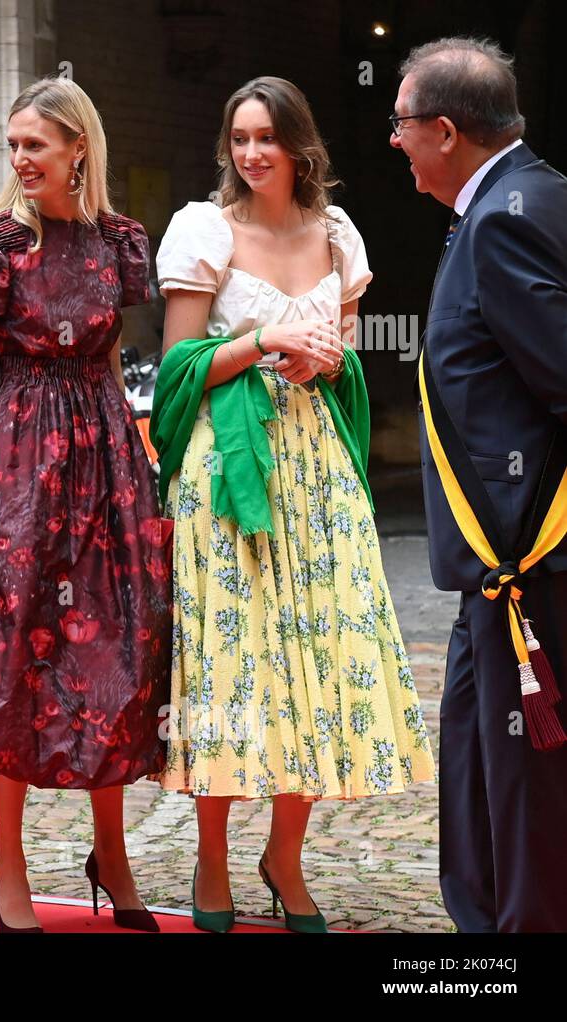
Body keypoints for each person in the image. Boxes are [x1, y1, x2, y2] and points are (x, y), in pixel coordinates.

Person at [151, 76, 434, 933]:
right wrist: (266, 339)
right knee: (231, 665)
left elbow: (346, 353)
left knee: (326, 650)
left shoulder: (339, 237)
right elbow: (174, 369)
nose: (250, 152)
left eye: (267, 136)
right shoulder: (204, 230)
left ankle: (285, 856)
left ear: (299, 145)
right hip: (231, 467)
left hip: (318, 463)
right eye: (239, 136)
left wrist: (326, 359)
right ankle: (210, 856)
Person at [0, 77, 171, 933]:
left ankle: (114, 856)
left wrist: (135, 466)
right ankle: (9, 869)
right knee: (12, 660)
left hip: (104, 460)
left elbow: (108, 364)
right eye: (14, 145)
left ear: (77, 150)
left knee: (116, 660)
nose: (20, 160)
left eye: (36, 146)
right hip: (17, 462)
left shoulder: (118, 243)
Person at [391, 36, 567, 932]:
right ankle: (481, 931)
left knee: (525, 783)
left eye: (403, 123)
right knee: (470, 766)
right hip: (487, 572)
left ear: (447, 130)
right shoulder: (517, 197)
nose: (394, 141)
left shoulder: (506, 216)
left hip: (528, 561)